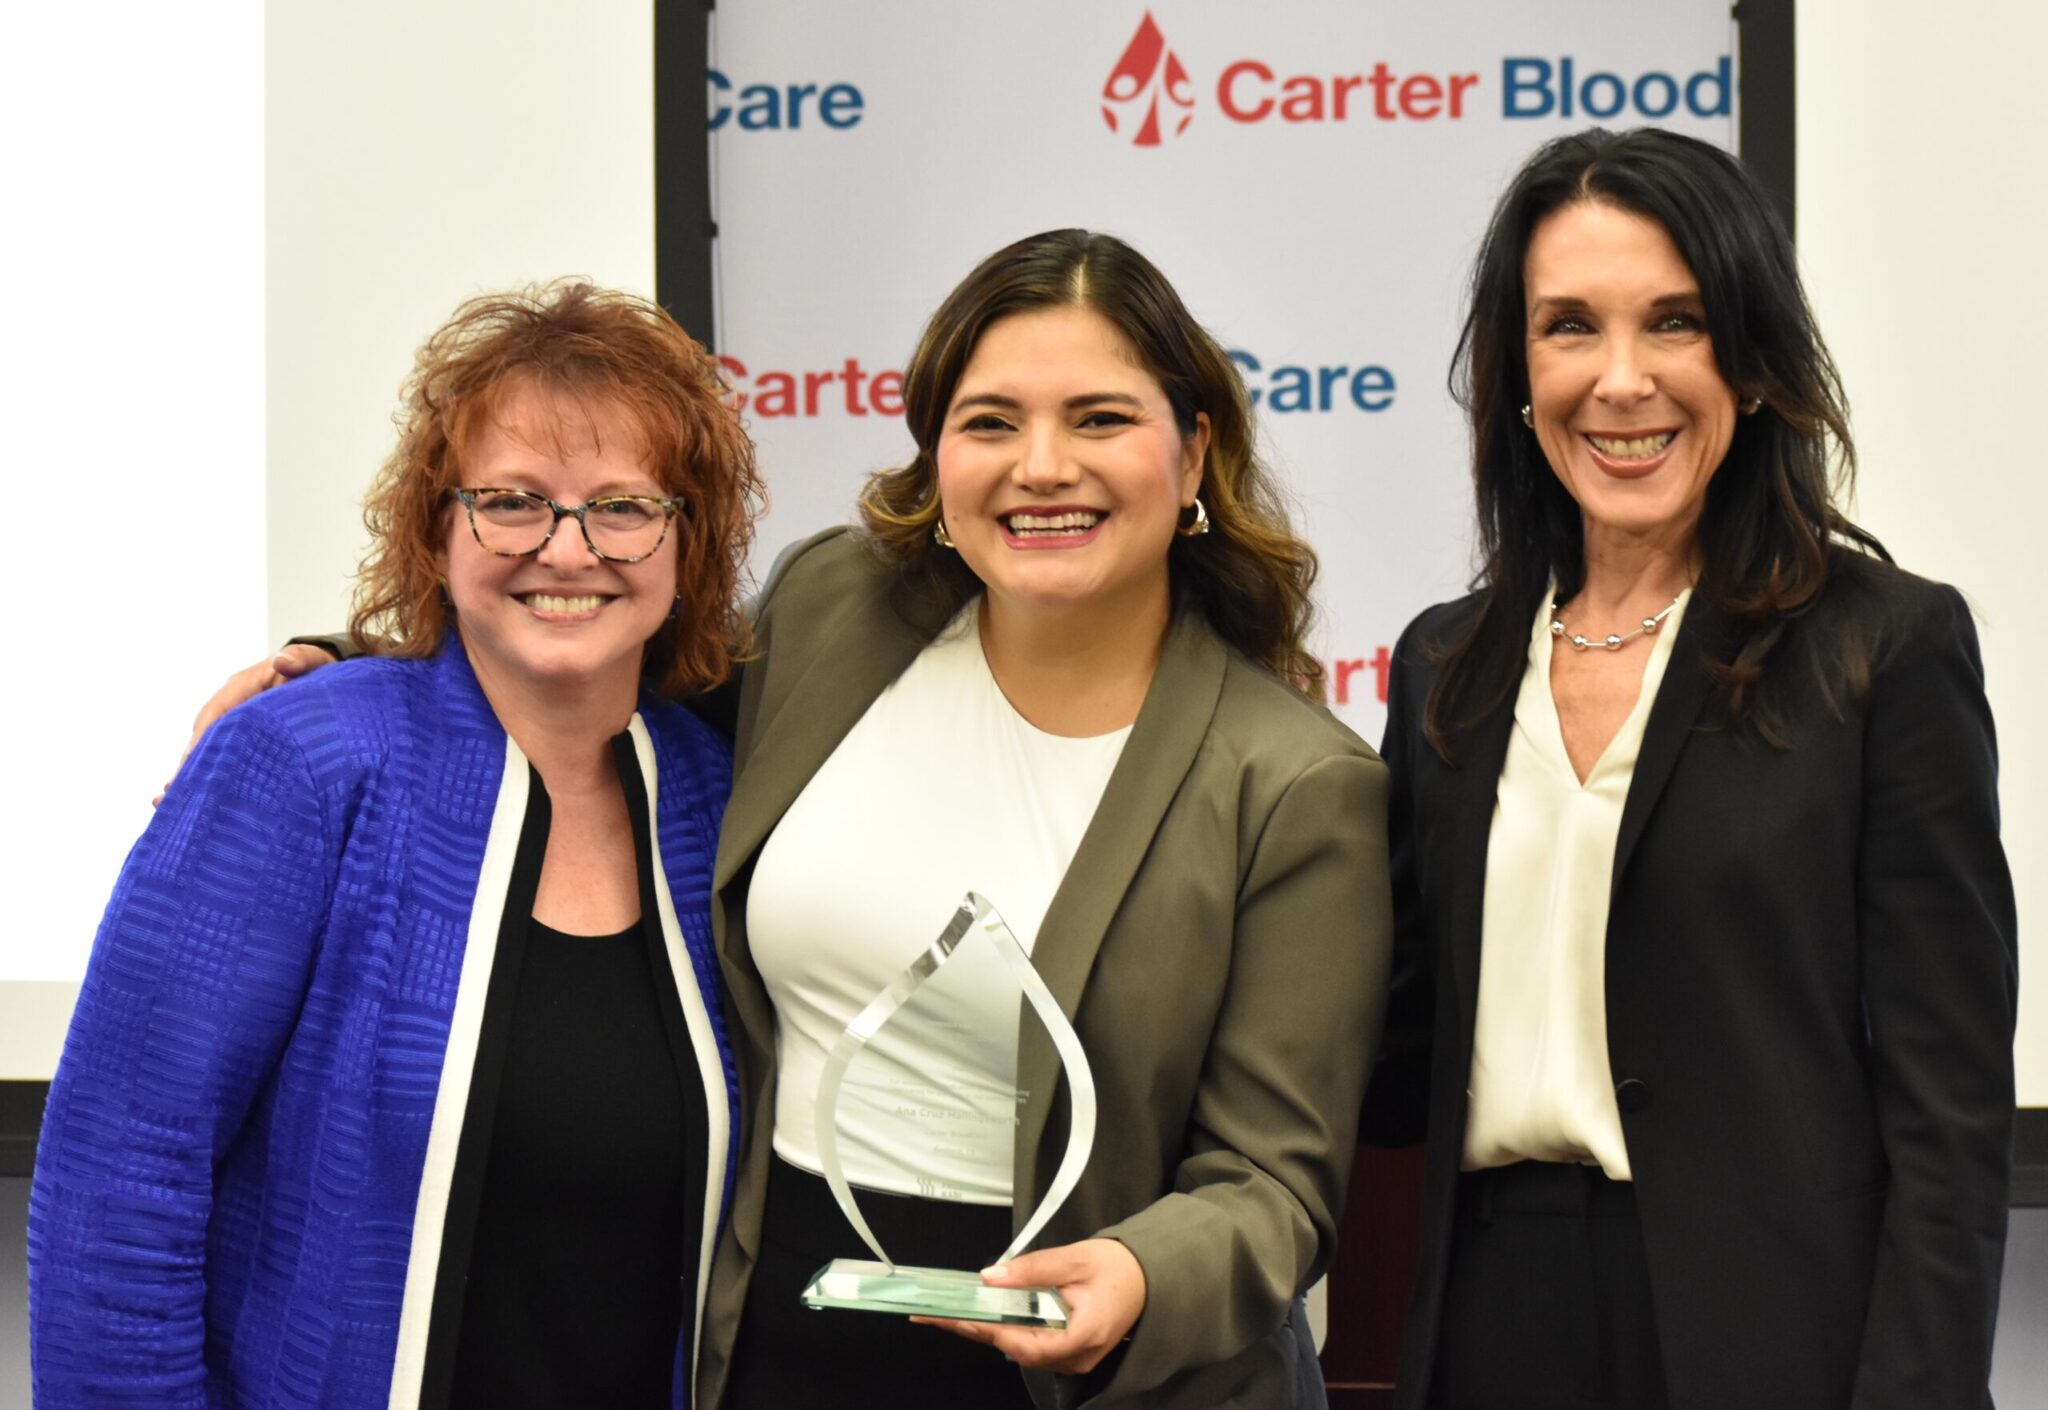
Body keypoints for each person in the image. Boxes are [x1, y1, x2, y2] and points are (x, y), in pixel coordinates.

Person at [1361, 128, 2017, 1410]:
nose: (1620, 381)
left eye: (1675, 322)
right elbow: (1387, 1054)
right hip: (1488, 1324)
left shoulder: (1881, 648)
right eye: (1567, 327)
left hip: (1771, 1339)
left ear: (1752, 362)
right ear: (1514, 372)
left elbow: (1947, 1112)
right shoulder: (1444, 665)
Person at [30, 282, 761, 1408]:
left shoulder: (713, 798)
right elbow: (118, 1184)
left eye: (623, 507)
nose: (567, 549)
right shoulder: (301, 762)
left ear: (687, 542)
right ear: (436, 527)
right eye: (511, 501)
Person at [694, 229, 1390, 1409]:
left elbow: (1274, 1186)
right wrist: (368, 670)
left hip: (1096, 1378)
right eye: (990, 422)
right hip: (781, 1346)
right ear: (937, 455)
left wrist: (1140, 1272)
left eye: (1099, 419)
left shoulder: (1293, 783)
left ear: (1192, 453)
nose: (1042, 465)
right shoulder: (829, 609)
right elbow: (604, 692)